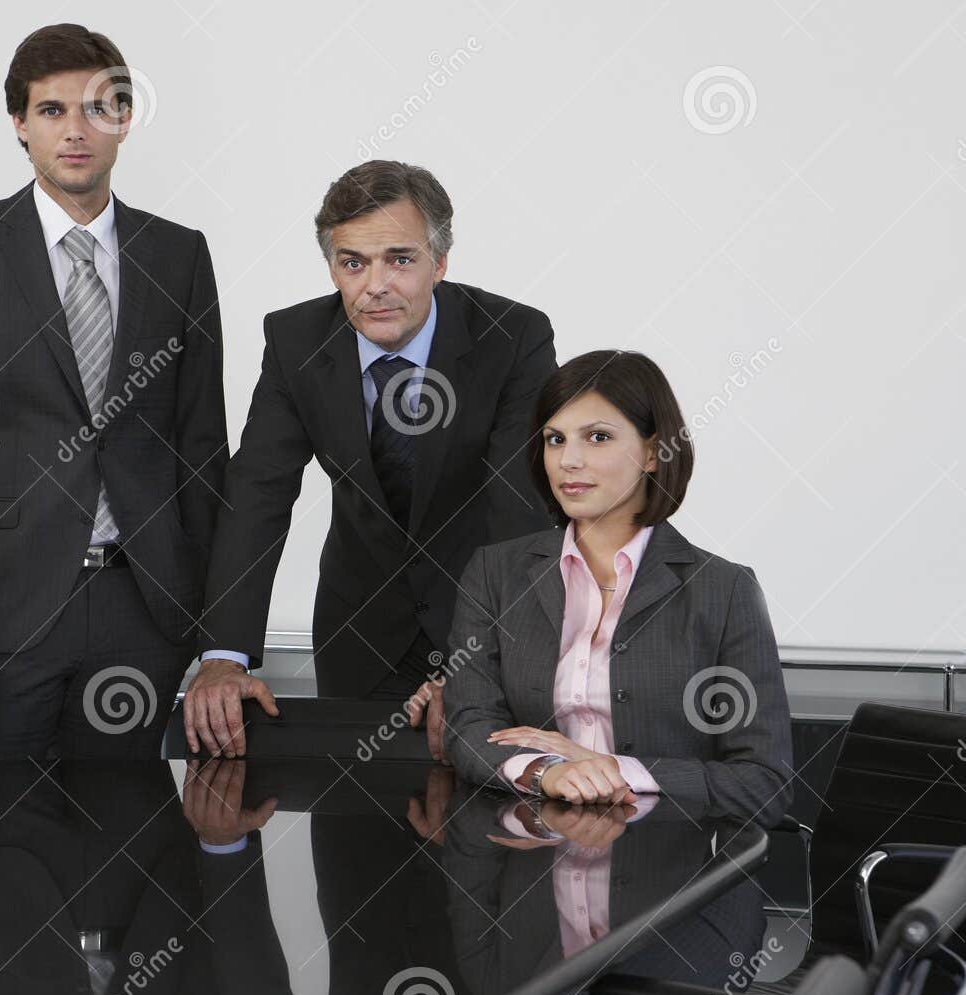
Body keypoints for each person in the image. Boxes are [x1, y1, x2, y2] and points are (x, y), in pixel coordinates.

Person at [0, 24, 227, 762]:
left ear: (125, 119)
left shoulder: (178, 255)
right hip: (4, 604)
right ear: (19, 124)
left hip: (144, 606)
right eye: (52, 110)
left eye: (97, 108)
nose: (76, 131)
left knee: (130, 815)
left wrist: (214, 634)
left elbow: (203, 446)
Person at [184, 160, 556, 760]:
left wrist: (483, 663)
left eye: (400, 260)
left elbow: (521, 508)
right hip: (360, 636)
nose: (375, 286)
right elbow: (258, 494)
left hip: (485, 632)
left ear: (440, 261)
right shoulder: (297, 342)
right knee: (353, 814)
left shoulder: (512, 337)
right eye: (353, 263)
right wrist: (224, 655)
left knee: (489, 811)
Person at [443, 349, 794, 825]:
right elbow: (469, 729)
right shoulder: (495, 572)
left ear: (652, 452)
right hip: (532, 855)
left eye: (598, 437)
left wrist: (611, 768)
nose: (568, 460)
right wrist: (548, 770)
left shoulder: (724, 590)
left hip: (663, 860)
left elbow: (763, 784)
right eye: (555, 439)